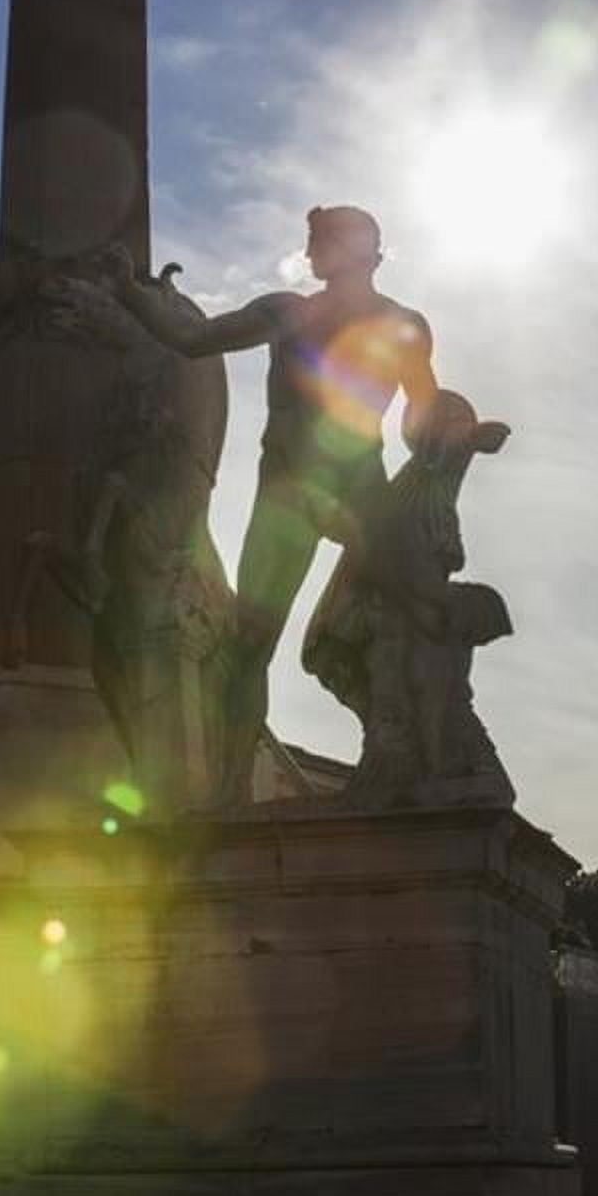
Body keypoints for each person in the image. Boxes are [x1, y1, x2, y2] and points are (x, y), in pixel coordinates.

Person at [85, 206, 443, 802]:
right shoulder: (287, 312)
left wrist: (447, 446)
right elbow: (193, 339)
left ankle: (417, 763)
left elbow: (423, 418)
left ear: (358, 250)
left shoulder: (403, 325)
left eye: (319, 240)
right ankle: (227, 794)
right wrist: (128, 292)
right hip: (289, 493)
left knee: (410, 620)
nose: (308, 254)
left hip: (358, 488)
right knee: (248, 645)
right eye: (309, 242)